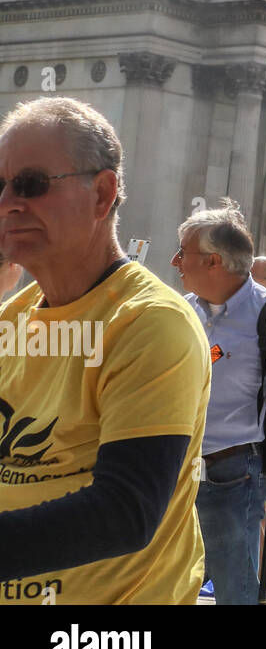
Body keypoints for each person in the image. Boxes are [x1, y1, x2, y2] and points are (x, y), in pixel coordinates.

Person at [0, 96, 210, 603]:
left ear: (102, 193)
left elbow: (125, 511)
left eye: (30, 185)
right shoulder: (11, 316)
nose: (8, 203)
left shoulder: (150, 323)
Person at [172, 200, 266, 605]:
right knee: (167, 584)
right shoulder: (180, 311)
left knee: (236, 590)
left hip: (233, 475)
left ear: (213, 261)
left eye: (183, 252)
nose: (175, 261)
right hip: (174, 470)